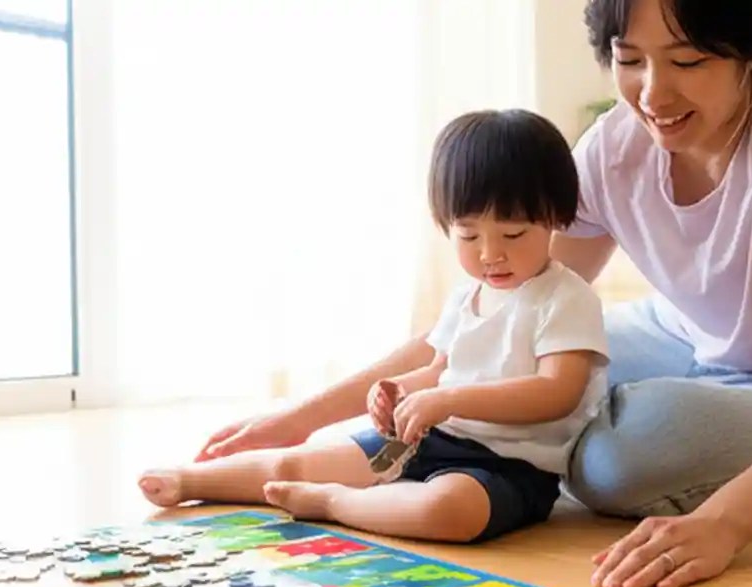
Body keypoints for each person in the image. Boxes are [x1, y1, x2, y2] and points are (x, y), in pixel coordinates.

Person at [186, 0, 752, 587]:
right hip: (672, 336)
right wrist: (297, 420)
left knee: (609, 465)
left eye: (688, 61)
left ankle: (516, 470)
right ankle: (413, 475)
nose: (653, 93)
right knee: (517, 369)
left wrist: (728, 524)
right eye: (628, 59)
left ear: (751, 51)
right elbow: (496, 315)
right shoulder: (618, 146)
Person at [139, 109, 611, 544]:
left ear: (555, 217)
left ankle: (334, 503)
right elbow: (440, 369)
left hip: (511, 468)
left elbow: (557, 392)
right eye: (468, 235)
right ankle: (191, 480)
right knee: (296, 462)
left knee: (449, 510)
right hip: (431, 439)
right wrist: (398, 390)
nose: (490, 254)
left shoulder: (566, 298)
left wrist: (446, 399)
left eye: (512, 235)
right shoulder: (468, 296)